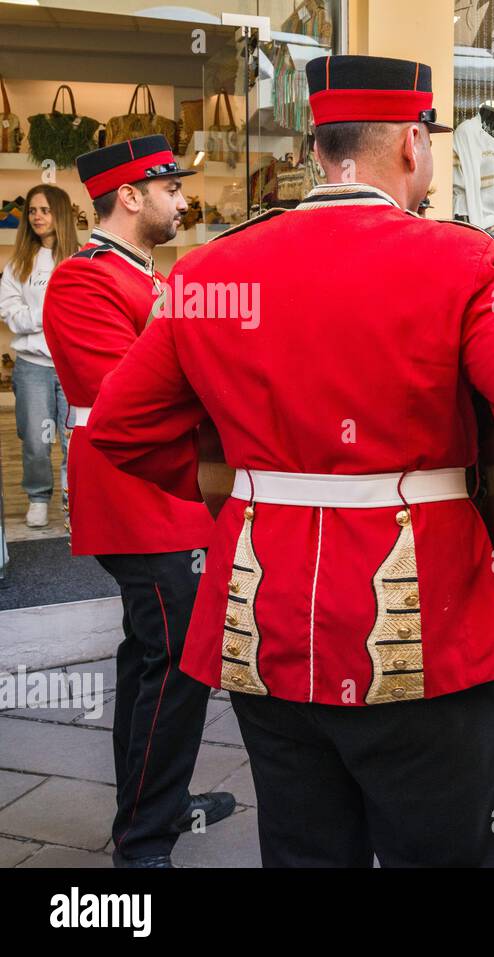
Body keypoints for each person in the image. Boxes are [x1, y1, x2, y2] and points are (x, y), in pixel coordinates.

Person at [87, 55, 494, 867]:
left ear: (320, 149)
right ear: (409, 143)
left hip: (263, 619)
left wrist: (236, 492)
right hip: (422, 619)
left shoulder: (210, 269)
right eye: (429, 139)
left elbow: (118, 428)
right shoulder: (457, 261)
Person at [42, 135, 231, 868]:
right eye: (172, 190)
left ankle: (151, 803)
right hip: (138, 494)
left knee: (151, 655)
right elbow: (126, 400)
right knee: (177, 660)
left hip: (168, 490)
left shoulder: (148, 275)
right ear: (130, 195)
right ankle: (144, 843)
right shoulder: (83, 280)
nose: (184, 202)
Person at [0, 184, 76, 528]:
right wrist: (48, 315)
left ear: (59, 213)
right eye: (32, 211)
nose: (37, 217)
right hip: (32, 367)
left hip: (73, 365)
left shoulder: (80, 260)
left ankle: (72, 498)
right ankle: (38, 497)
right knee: (35, 437)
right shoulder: (18, 263)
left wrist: (54, 316)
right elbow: (9, 311)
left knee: (73, 437)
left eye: (44, 210)